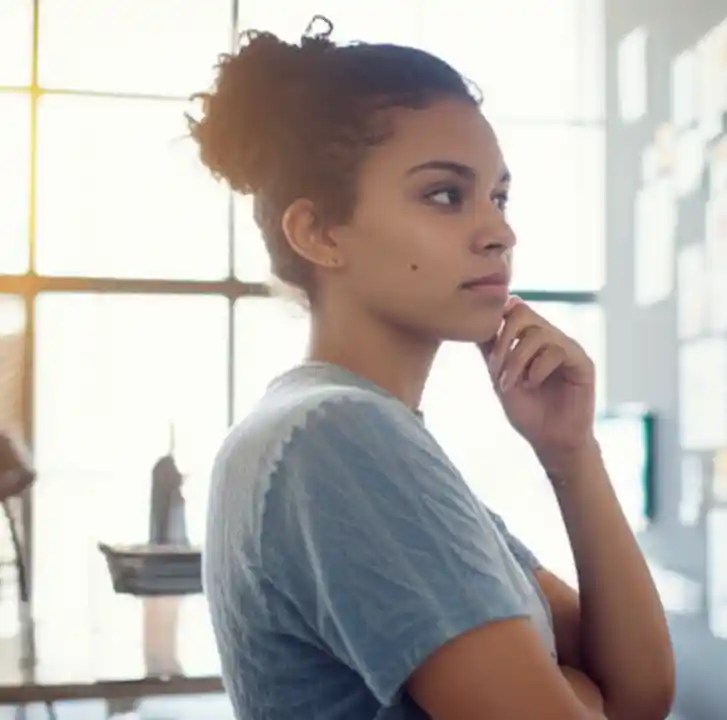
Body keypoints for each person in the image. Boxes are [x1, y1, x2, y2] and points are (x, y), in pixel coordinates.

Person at [190, 18, 674, 720]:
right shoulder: (338, 439)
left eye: (498, 197)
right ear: (320, 233)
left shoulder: (363, 435)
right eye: (446, 195)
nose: (498, 231)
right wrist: (571, 691)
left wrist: (572, 455)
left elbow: (639, 696)